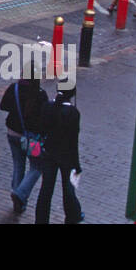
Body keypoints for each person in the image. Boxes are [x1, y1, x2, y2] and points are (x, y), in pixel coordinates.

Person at [0, 72, 47, 215]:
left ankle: (17, 195)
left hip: (12, 133)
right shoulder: (40, 94)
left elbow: (3, 106)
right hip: (32, 139)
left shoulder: (14, 88)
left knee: (18, 164)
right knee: (37, 167)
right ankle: (20, 194)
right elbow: (44, 118)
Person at [34, 87, 84, 225]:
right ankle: (72, 217)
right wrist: (77, 164)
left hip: (49, 152)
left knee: (46, 189)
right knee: (68, 190)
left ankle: (41, 220)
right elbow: (74, 141)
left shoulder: (48, 106)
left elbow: (42, 129)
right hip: (66, 157)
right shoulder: (73, 113)